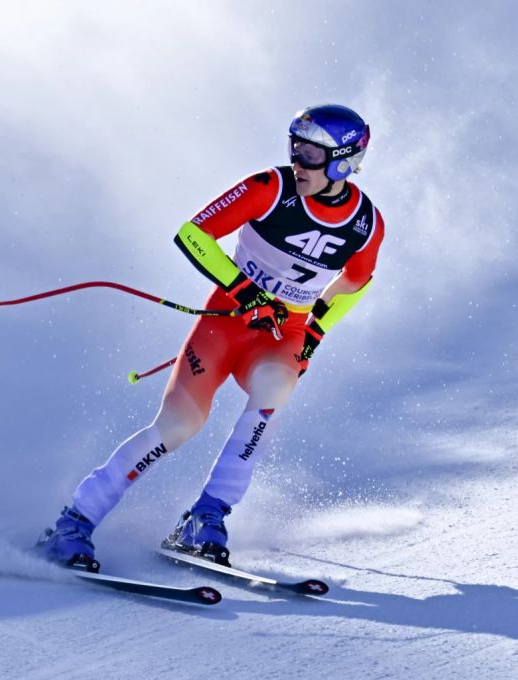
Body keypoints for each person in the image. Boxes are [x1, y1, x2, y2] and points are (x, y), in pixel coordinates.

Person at [38, 104, 386, 571]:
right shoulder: (269, 187)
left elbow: (355, 283)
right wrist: (245, 291)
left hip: (281, 333)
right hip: (225, 323)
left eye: (311, 154)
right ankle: (73, 522)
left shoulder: (365, 223)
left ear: (343, 162)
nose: (297, 162)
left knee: (274, 391)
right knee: (178, 426)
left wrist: (315, 330)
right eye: (295, 148)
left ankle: (207, 516)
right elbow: (193, 234)